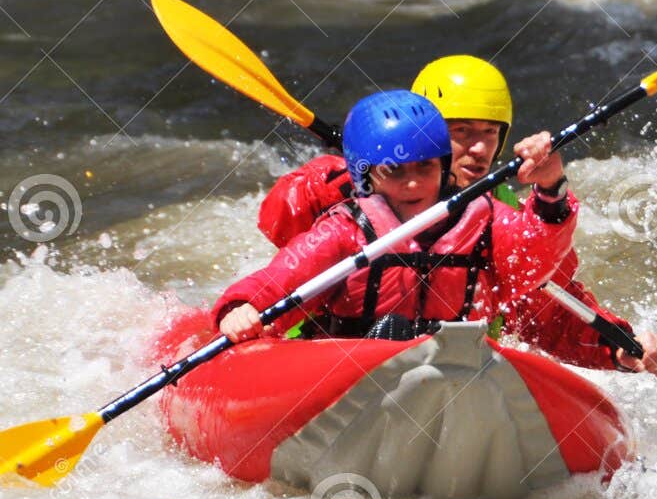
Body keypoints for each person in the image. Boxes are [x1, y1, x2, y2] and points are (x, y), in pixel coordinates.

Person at [254, 56, 657, 375]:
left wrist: (617, 345)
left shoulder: (505, 215)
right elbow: (279, 220)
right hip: (334, 359)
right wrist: (350, 181)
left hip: (452, 367)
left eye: (489, 133)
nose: (478, 149)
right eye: (461, 132)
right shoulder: (347, 185)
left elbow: (549, 307)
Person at [214, 90, 577, 343]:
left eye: (425, 166)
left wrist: (550, 190)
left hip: (456, 367)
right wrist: (241, 308)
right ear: (364, 177)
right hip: (353, 370)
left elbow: (535, 262)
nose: (414, 182)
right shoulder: (345, 229)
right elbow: (282, 278)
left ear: (445, 167)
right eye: (395, 171)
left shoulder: (484, 220)